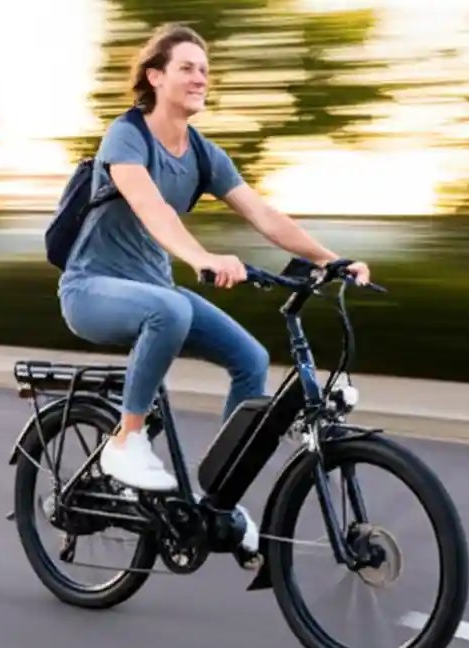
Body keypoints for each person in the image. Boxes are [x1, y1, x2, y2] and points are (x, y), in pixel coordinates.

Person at [57, 23, 369, 507]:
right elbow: (150, 208)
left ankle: (219, 500)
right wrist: (201, 257)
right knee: (170, 309)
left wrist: (330, 260)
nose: (200, 77)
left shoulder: (203, 154)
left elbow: (263, 214)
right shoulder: (127, 136)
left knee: (252, 360)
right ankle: (126, 440)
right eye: (187, 68)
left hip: (157, 293)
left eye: (204, 69)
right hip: (91, 289)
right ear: (156, 76)